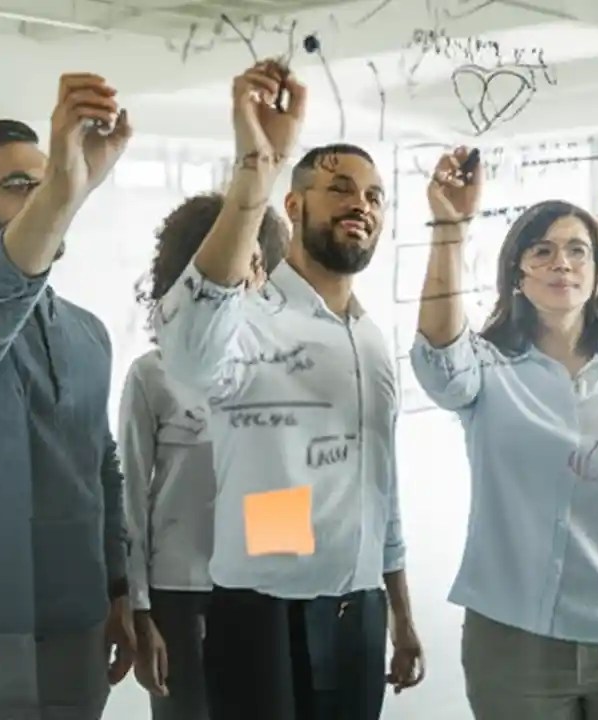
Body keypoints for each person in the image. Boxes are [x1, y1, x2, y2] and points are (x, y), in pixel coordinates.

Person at [153, 61, 423, 719]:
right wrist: (259, 168)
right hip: (261, 614)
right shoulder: (251, 317)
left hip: (359, 611)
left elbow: (379, 490)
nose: (360, 202)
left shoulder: (370, 337)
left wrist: (400, 612)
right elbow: (187, 350)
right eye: (339, 188)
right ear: (295, 206)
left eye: (374, 194)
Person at [411, 148, 598, 720]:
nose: (561, 262)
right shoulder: (486, 370)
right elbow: (439, 359)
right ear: (517, 274)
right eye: (542, 250)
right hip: (517, 641)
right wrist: (449, 229)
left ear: (597, 276)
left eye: (576, 251)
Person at [0, 77, 136, 718]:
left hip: (78, 624)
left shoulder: (88, 332)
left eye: (49, 179)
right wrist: (64, 185)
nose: (50, 193)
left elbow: (101, 466)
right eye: (22, 186)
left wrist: (118, 587)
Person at [121, 192, 288, 719]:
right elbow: (129, 496)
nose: (248, 271)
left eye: (258, 259)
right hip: (180, 593)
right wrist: (139, 610)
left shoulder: (287, 368)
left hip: (262, 588)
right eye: (236, 258)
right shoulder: (153, 373)